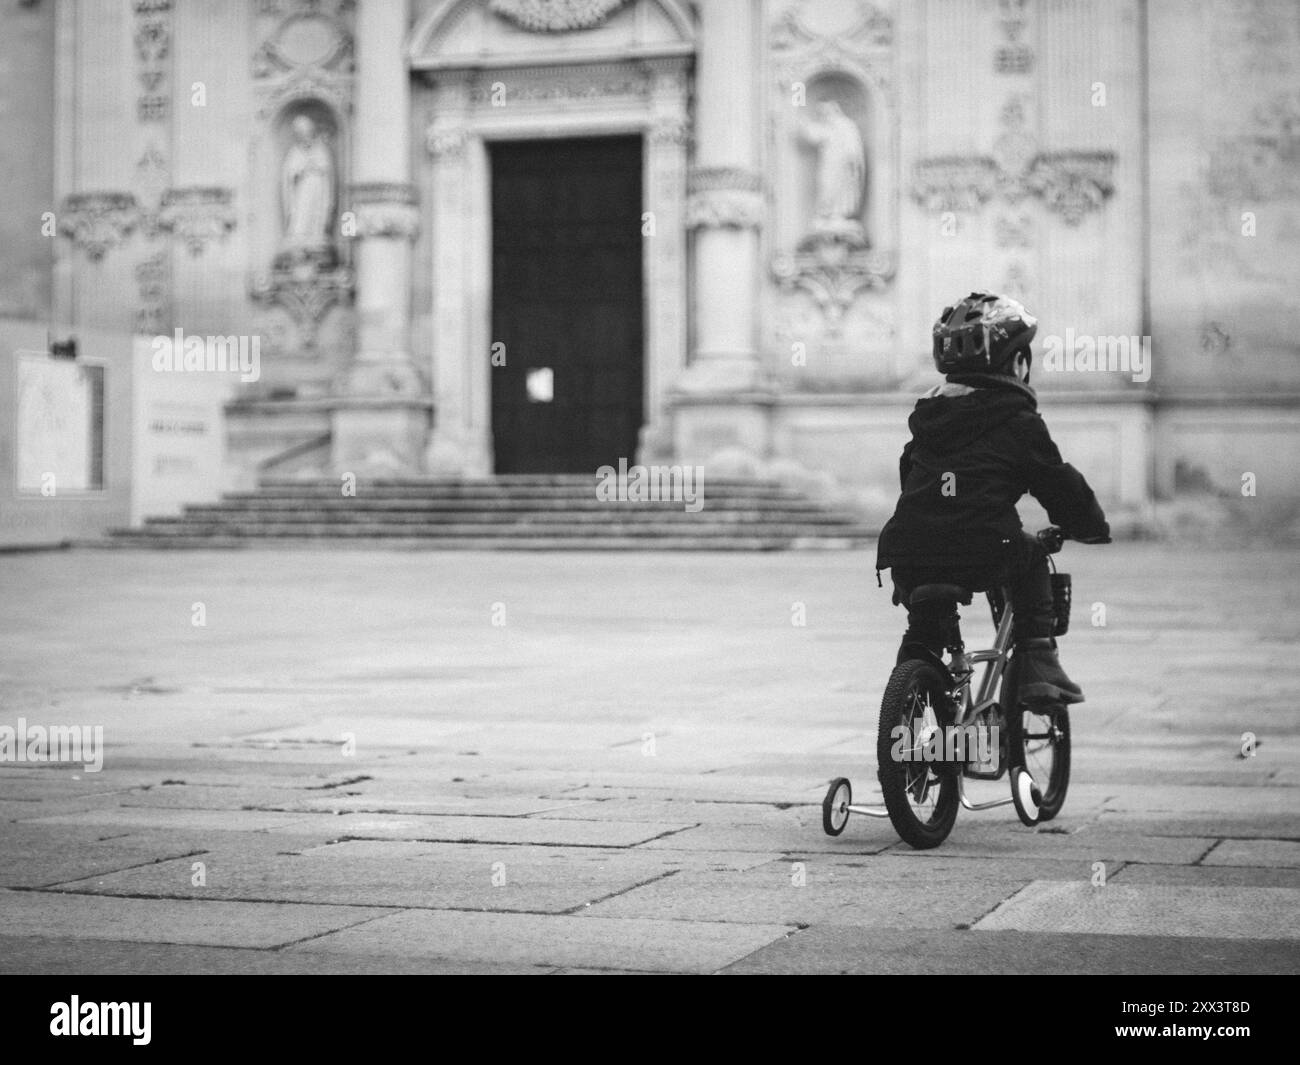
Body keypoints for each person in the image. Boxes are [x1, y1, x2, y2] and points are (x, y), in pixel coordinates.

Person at [875, 292, 1111, 706]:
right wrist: (1088, 525)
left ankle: (912, 685)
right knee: (1032, 558)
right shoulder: (1016, 421)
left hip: (907, 550)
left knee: (925, 630)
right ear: (1016, 361)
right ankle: (1038, 660)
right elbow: (1057, 482)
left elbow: (909, 478)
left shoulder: (928, 418)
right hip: (984, 547)